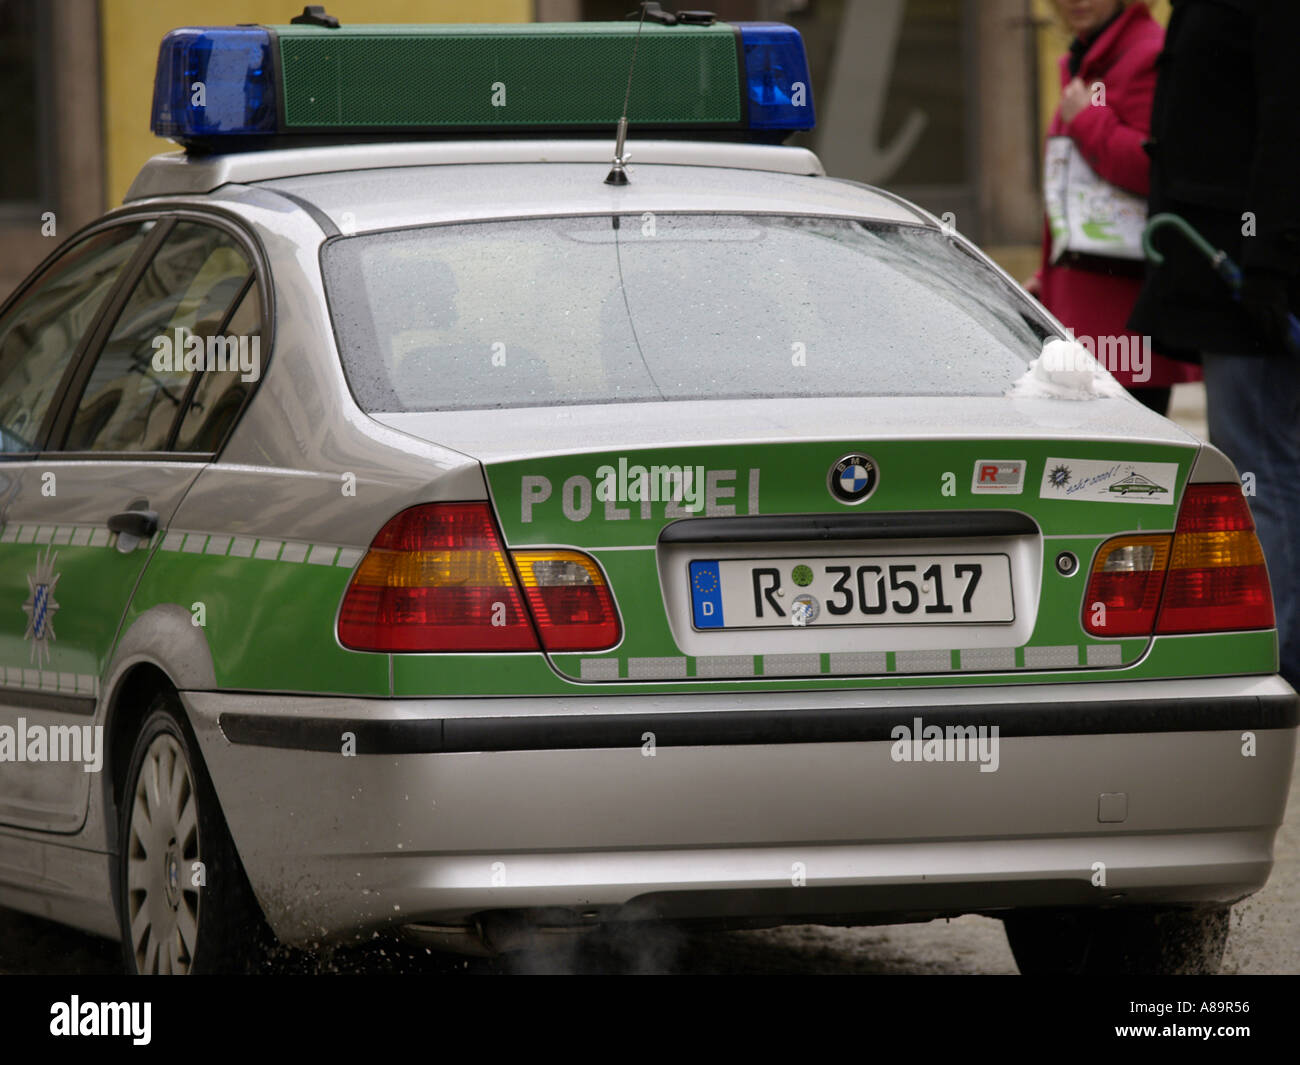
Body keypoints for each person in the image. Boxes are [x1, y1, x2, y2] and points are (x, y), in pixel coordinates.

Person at [1129, 0, 1300, 689]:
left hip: (1250, 281)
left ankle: (1278, 659)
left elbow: (1286, 121)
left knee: (1266, 472)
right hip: (1235, 273)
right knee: (1271, 467)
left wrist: (1267, 263)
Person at [1028, 0, 1199, 414]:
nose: (1078, 1)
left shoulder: (1145, 53)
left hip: (1124, 314)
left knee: (1126, 467)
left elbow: (1158, 170)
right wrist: (1047, 277)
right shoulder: (1089, 56)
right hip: (1089, 300)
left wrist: (1089, 120)